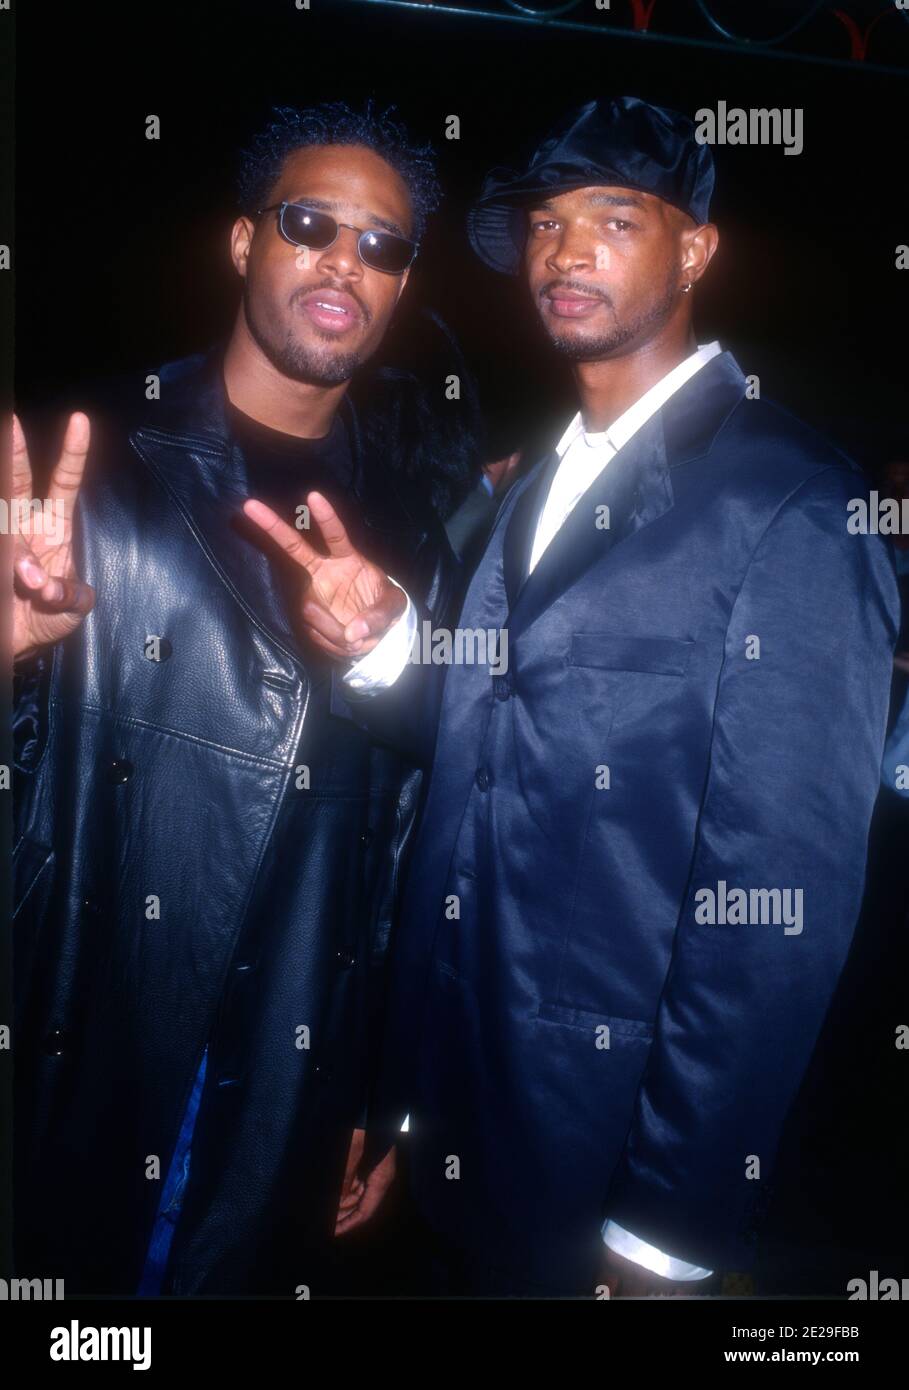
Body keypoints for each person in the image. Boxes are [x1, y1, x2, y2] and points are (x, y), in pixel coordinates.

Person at [246, 96, 899, 1296]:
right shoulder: (539, 480)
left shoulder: (792, 506)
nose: (566, 250)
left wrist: (668, 1228)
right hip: (455, 1133)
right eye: (546, 225)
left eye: (615, 216)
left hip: (605, 1162)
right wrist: (394, 643)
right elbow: (485, 771)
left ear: (696, 249)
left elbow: (775, 917)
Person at [10, 100, 473, 1294]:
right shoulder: (93, 455)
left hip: (281, 1065)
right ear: (241, 243)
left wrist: (383, 1090)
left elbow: (423, 816)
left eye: (383, 245)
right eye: (312, 223)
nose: (346, 263)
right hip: (84, 1025)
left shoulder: (418, 515)